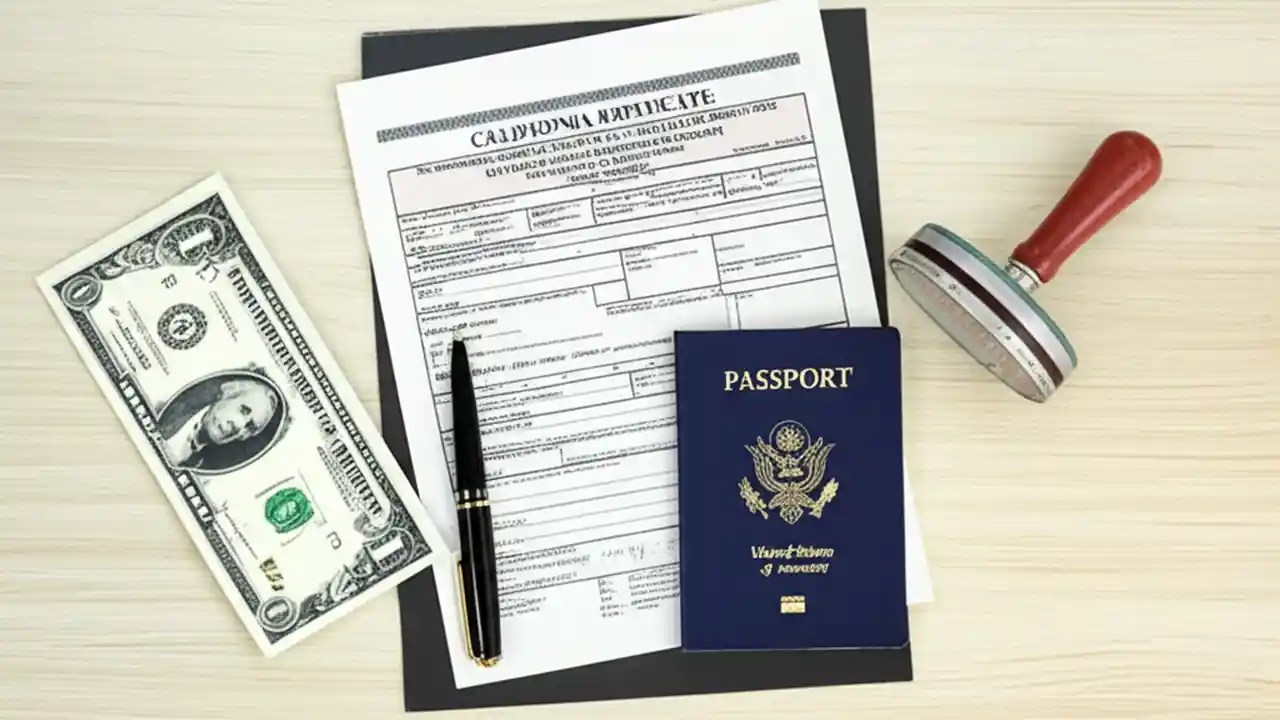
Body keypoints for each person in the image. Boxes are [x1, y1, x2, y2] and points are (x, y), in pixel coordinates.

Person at [158, 375, 282, 472]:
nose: (238, 426)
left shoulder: (203, 469)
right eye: (243, 410)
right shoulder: (165, 405)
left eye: (250, 427)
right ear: (228, 393)